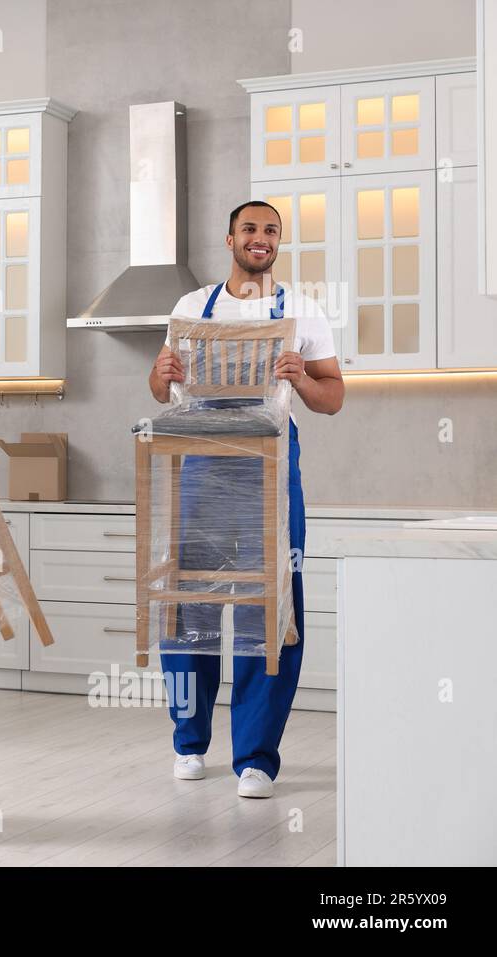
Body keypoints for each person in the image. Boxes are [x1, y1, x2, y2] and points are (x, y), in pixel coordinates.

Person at [148, 200, 345, 798]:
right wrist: (160, 370)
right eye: (250, 230)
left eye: (271, 232)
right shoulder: (193, 307)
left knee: (273, 607)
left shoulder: (302, 310)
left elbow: (333, 397)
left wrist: (301, 377)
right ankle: (190, 742)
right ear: (229, 236)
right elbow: (164, 391)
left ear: (277, 242)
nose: (260, 239)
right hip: (201, 466)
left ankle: (256, 756)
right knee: (190, 603)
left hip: (271, 469)